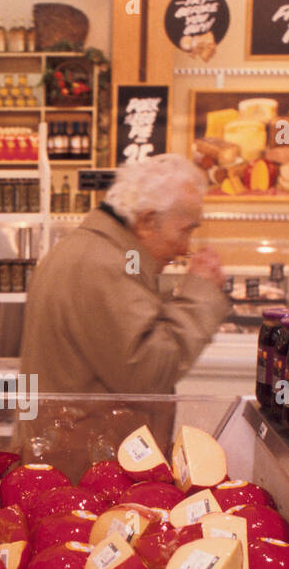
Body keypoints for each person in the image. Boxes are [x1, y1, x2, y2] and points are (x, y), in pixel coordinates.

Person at [15, 154, 230, 477]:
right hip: (84, 472)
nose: (184, 248)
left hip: (73, 460)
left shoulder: (95, 251)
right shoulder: (103, 265)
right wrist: (200, 295)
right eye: (185, 231)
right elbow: (148, 370)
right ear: (146, 221)